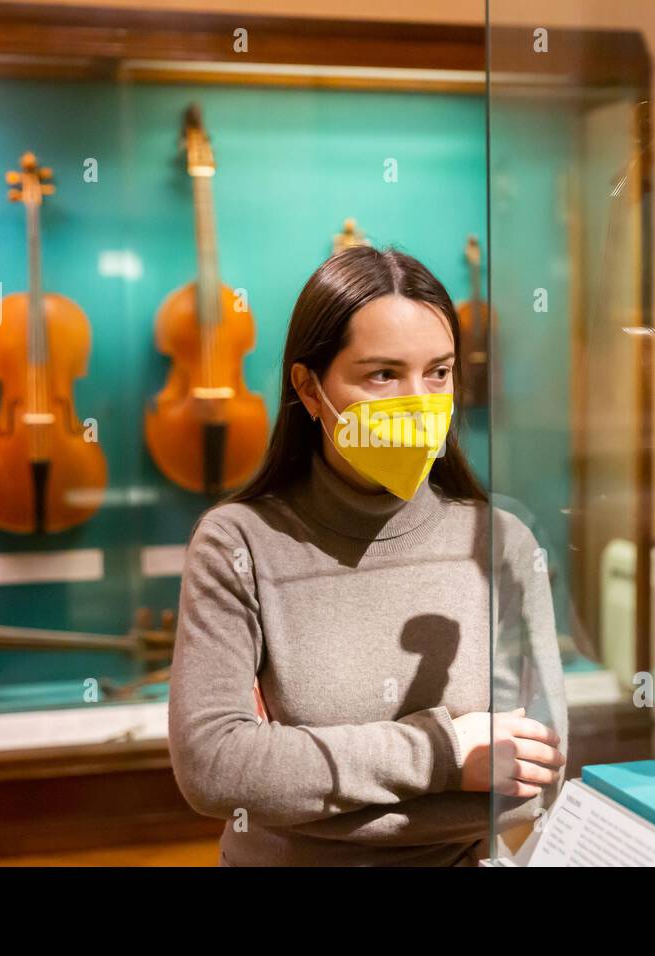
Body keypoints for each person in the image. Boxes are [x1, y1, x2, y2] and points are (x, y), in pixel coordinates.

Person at [167, 245, 567, 866]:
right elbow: (217, 771)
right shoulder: (237, 542)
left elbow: (531, 785)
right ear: (308, 386)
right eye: (383, 374)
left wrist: (304, 776)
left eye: (439, 372)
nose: (420, 400)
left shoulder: (503, 542)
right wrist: (447, 752)